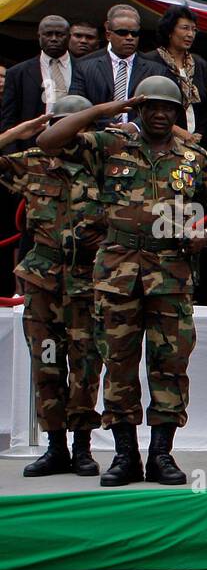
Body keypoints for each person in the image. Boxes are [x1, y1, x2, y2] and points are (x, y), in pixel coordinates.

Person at [38, 77, 207, 487]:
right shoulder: (110, 146)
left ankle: (162, 453)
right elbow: (49, 142)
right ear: (140, 110)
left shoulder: (193, 157)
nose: (160, 114)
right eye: (152, 107)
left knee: (170, 365)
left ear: (178, 114)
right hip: (117, 271)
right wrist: (103, 111)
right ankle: (125, 455)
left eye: (168, 108)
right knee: (119, 364)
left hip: (171, 272)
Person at [0, 99, 103, 477]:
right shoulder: (31, 162)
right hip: (43, 284)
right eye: (60, 125)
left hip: (87, 283)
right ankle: (55, 446)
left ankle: (82, 447)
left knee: (86, 366)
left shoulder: (102, 165)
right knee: (46, 364)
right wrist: (16, 133)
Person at [67, 5, 166, 123]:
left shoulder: (156, 70)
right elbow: (76, 108)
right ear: (108, 35)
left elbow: (162, 107)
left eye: (134, 33)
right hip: (97, 134)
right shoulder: (85, 67)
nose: (129, 38)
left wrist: (135, 126)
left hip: (140, 135)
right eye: (122, 33)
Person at [140, 5, 207, 146]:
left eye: (194, 29)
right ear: (169, 31)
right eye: (185, 28)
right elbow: (142, 105)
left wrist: (199, 135)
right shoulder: (149, 62)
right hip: (160, 141)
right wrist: (178, 131)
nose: (190, 34)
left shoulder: (200, 64)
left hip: (197, 143)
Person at [1, 16, 73, 150]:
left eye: (59, 34)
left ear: (69, 37)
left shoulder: (85, 69)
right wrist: (11, 159)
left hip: (74, 147)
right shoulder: (17, 73)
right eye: (48, 34)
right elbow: (8, 120)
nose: (53, 39)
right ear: (39, 36)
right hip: (31, 149)